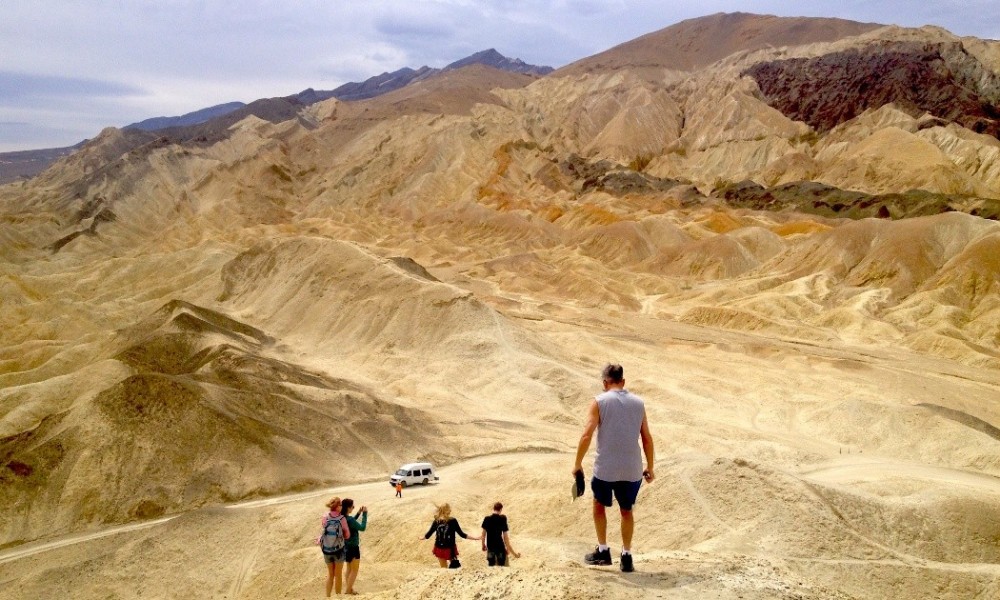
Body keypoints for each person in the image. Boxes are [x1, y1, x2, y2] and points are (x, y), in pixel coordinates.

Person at [573, 363, 654, 573]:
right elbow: (646, 439)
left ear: (604, 383)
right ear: (623, 381)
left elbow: (586, 435)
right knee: (626, 511)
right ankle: (626, 556)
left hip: (606, 468)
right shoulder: (639, 403)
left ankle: (603, 551)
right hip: (632, 468)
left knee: (599, 505)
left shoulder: (599, 401)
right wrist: (650, 467)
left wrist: (577, 464)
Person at [420, 503, 480, 567]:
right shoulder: (453, 520)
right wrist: (475, 538)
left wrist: (423, 537)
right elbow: (462, 534)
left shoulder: (436, 521)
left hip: (439, 548)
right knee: (455, 567)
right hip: (450, 548)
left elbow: (429, 534)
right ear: (448, 510)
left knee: (443, 568)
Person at [318, 496, 352, 596]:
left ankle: (328, 596)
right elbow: (347, 535)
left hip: (326, 550)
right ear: (337, 507)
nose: (342, 506)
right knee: (338, 575)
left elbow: (324, 529)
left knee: (330, 574)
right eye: (340, 505)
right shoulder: (342, 519)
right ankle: (338, 597)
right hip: (339, 551)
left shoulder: (325, 517)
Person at [481, 501, 521, 566]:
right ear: (501, 509)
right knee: (502, 565)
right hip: (500, 548)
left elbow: (483, 535)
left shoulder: (487, 519)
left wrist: (483, 545)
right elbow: (506, 537)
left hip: (490, 548)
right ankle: (515, 555)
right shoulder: (502, 518)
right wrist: (508, 549)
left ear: (493, 509)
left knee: (491, 565)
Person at [341, 498, 368, 595]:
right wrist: (365, 514)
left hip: (346, 547)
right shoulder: (350, 520)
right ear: (348, 508)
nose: (353, 507)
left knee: (349, 568)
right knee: (354, 571)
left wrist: (358, 513)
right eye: (352, 506)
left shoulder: (342, 518)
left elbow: (351, 523)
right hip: (353, 547)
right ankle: (348, 591)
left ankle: (350, 588)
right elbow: (362, 528)